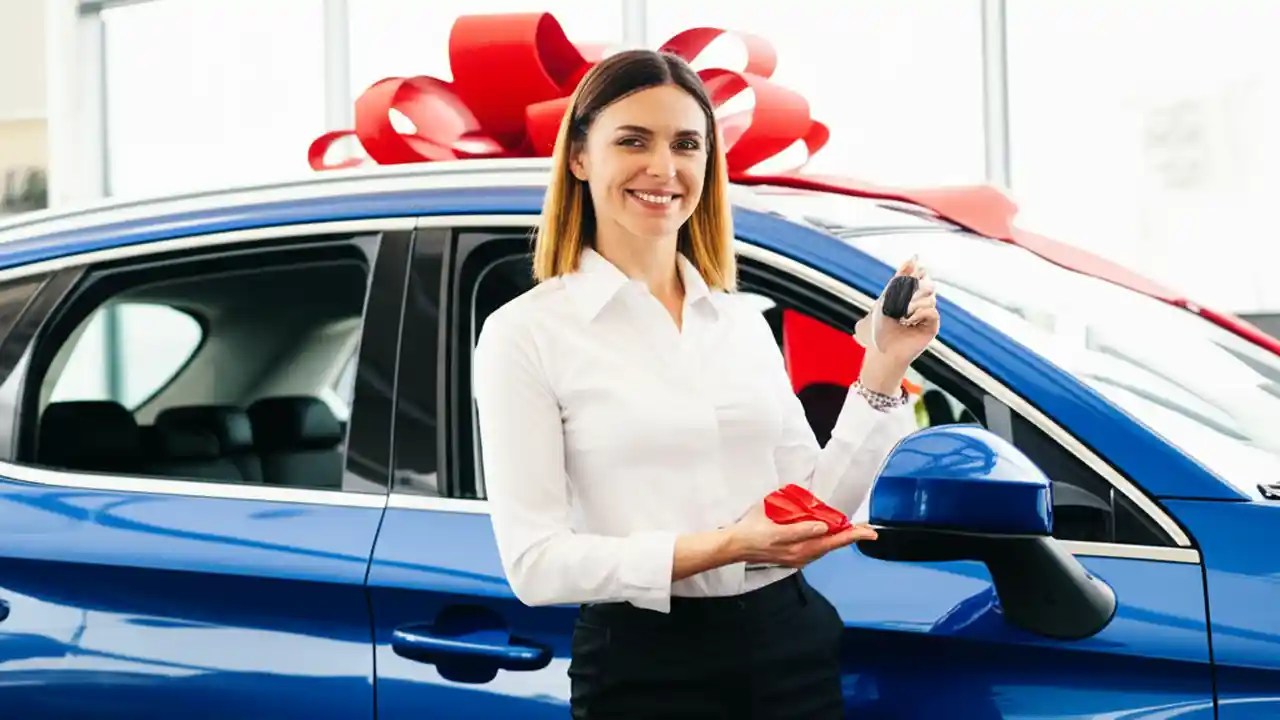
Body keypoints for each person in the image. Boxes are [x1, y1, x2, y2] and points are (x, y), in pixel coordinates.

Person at [472, 48, 939, 719]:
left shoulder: (739, 323)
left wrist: (885, 365)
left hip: (789, 647)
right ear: (578, 157)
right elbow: (536, 565)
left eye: (686, 144)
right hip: (647, 668)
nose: (664, 168)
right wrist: (728, 545)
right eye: (633, 140)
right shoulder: (528, 333)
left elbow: (814, 506)